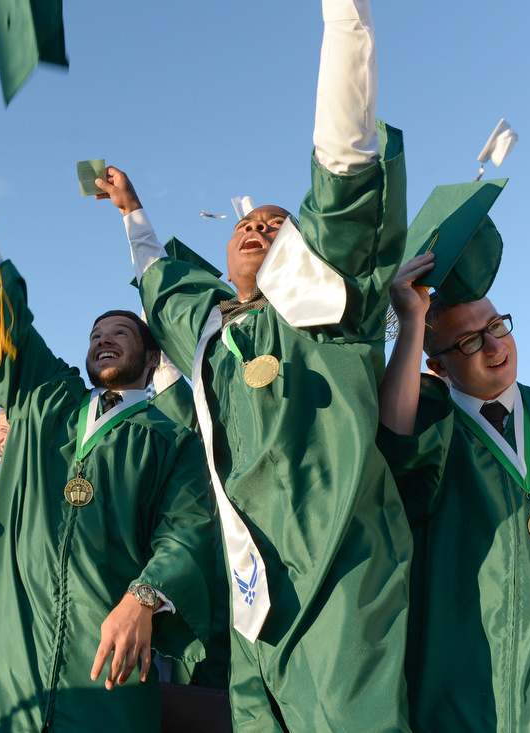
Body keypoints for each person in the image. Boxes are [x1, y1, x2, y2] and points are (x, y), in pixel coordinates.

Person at [96, 0, 413, 729]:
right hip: (252, 600)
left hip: (339, 582)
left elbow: (344, 165)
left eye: (276, 224)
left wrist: (345, 20)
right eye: (246, 223)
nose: (257, 228)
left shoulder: (326, 308)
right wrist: (131, 209)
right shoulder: (209, 334)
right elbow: (159, 282)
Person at [0, 129, 219, 732]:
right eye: (95, 335)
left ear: (151, 355)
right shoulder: (48, 400)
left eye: (121, 332)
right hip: (14, 656)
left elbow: (189, 529)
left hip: (107, 663)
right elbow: (4, 324)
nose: (104, 339)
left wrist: (145, 596)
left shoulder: (170, 436)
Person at [378, 253, 530, 731]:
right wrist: (410, 323)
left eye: (496, 326)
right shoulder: (434, 435)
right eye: (469, 341)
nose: (494, 346)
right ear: (437, 365)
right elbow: (392, 446)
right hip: (468, 700)